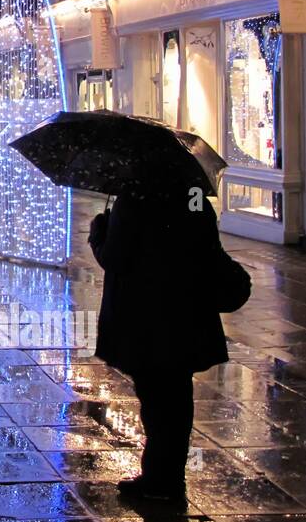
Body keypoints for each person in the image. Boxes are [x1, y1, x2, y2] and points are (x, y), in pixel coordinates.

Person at [89, 190, 229, 504]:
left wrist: (99, 234)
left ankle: (159, 480)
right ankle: (167, 476)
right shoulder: (195, 201)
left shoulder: (134, 200)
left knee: (156, 401)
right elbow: (209, 250)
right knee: (177, 399)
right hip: (187, 314)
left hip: (146, 319)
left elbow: (115, 258)